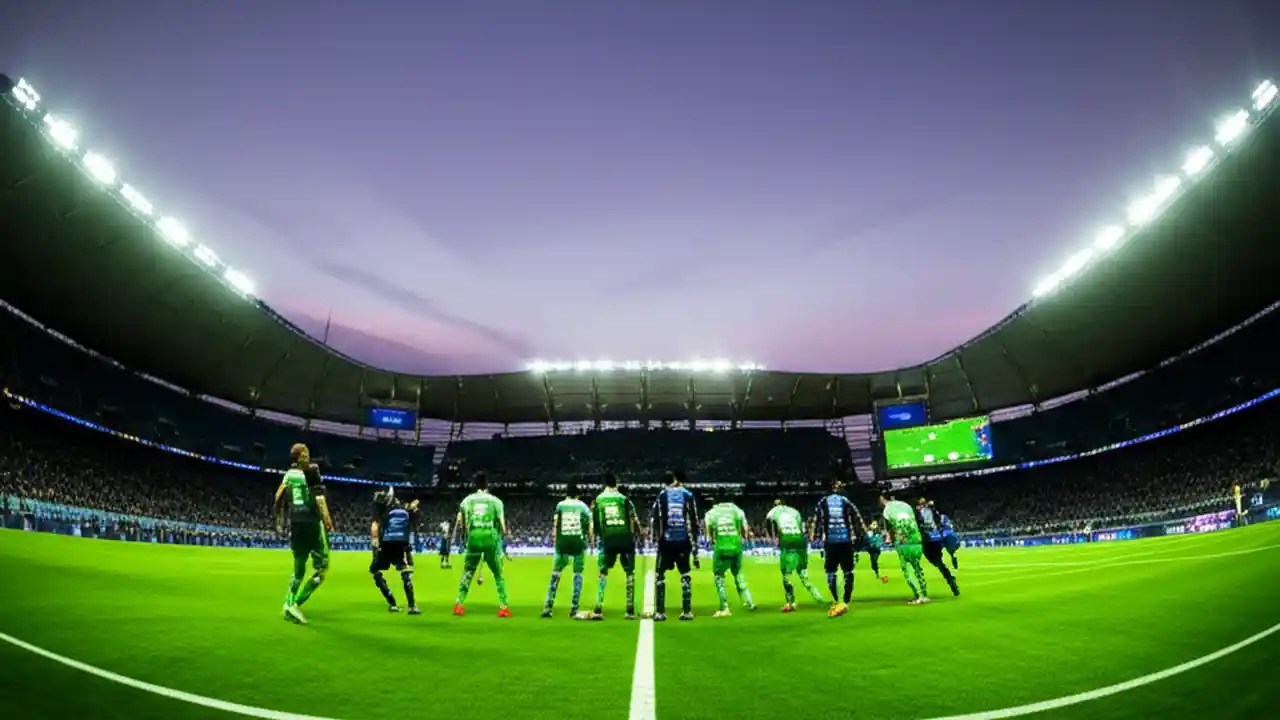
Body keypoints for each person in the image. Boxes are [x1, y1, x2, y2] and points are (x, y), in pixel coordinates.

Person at [273, 443, 335, 625]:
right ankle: (295, 603)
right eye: (306, 454)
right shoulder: (312, 473)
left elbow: (278, 496)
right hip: (312, 524)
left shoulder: (288, 475)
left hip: (296, 524)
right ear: (300, 457)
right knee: (322, 568)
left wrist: (279, 519)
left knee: (298, 569)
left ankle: (287, 604)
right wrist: (327, 519)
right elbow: (320, 499)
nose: (308, 457)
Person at [451, 473, 510, 617]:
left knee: (468, 572)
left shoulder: (467, 500)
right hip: (490, 538)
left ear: (475, 485)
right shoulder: (496, 501)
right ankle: (503, 607)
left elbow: (463, 523)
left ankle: (459, 604)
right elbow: (502, 525)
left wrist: (468, 534)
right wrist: (504, 536)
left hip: (474, 537)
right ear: (487, 484)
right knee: (498, 574)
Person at [810, 478, 866, 618]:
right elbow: (857, 517)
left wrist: (813, 536)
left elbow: (815, 519)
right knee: (848, 571)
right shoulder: (845, 501)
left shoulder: (823, 501)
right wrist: (862, 536)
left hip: (831, 542)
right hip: (846, 541)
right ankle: (846, 600)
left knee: (830, 572)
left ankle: (837, 600)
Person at [650, 470, 700, 622]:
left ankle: (660, 612)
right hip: (684, 541)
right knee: (685, 574)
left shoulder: (662, 495)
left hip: (667, 541)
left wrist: (656, 539)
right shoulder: (688, 495)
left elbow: (655, 519)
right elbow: (694, 520)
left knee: (660, 575)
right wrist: (695, 549)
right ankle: (687, 611)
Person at [591, 473, 642, 620]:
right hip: (624, 537)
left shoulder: (599, 500)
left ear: (604, 484)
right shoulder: (624, 499)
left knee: (603, 572)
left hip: (608, 539)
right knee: (629, 572)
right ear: (617, 483)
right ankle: (630, 610)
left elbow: (596, 523)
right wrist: (637, 534)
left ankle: (598, 607)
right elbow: (633, 519)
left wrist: (596, 541)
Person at [541, 483, 594, 618]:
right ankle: (574, 608)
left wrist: (555, 539)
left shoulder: (560, 505)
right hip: (578, 543)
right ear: (578, 494)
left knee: (555, 575)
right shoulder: (582, 506)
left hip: (562, 543)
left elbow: (556, 524)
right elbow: (590, 524)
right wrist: (592, 541)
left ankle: (548, 606)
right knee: (577, 574)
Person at [764, 499, 826, 612]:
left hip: (787, 540)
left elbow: (768, 523)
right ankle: (820, 598)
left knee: (786, 574)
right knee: (803, 573)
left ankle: (791, 602)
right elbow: (799, 527)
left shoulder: (773, 511)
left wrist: (774, 538)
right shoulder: (794, 511)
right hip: (800, 540)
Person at [703, 495, 757, 617]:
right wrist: (741, 538)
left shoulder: (711, 513)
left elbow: (708, 534)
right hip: (736, 547)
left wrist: (712, 540)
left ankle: (724, 607)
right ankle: (749, 602)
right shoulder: (737, 510)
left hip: (721, 548)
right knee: (738, 573)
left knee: (719, 577)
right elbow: (745, 530)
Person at [370, 492, 420, 615]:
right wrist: (408, 554)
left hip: (386, 543)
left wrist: (376, 550)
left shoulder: (383, 512)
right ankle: (412, 606)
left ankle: (392, 603)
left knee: (375, 570)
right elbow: (408, 530)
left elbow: (375, 528)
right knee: (404, 570)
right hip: (400, 543)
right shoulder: (404, 512)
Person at [880, 493, 929, 605]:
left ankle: (918, 596)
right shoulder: (905, 506)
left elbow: (890, 528)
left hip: (904, 543)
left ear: (882, 499)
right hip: (917, 541)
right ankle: (925, 595)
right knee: (918, 568)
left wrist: (890, 539)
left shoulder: (887, 510)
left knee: (908, 570)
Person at [916, 498, 959, 596]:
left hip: (928, 540)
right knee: (940, 563)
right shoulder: (935, 512)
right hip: (937, 539)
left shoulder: (920, 513)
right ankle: (950, 578)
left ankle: (920, 589)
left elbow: (922, 525)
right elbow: (941, 523)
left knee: (936, 562)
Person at [931, 501, 960, 569]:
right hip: (950, 533)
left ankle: (939, 560)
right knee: (950, 550)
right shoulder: (945, 516)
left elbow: (939, 526)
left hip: (944, 534)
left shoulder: (939, 518)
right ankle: (953, 557)